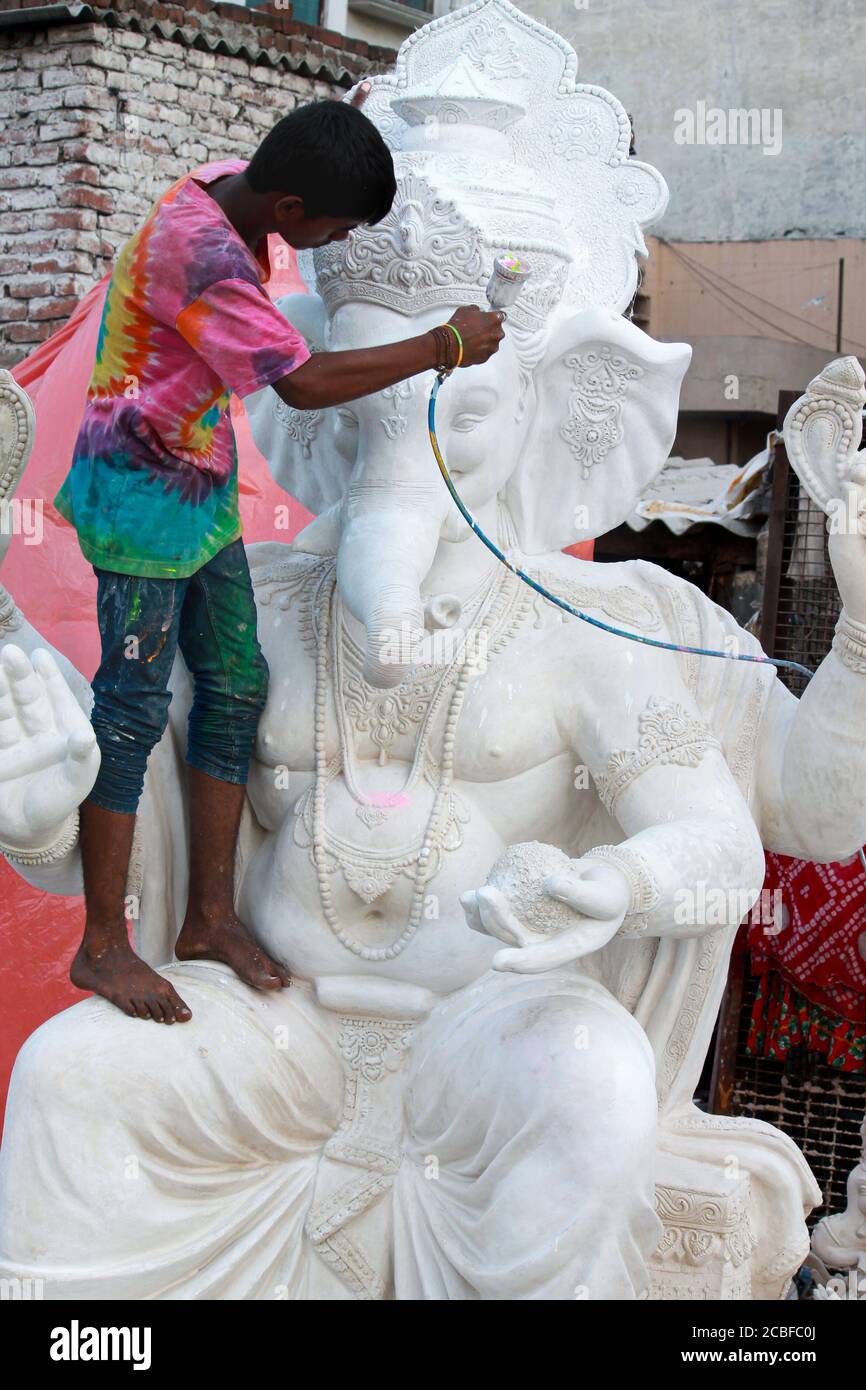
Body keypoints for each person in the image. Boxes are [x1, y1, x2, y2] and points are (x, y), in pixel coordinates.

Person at [52, 88, 505, 1024]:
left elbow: (306, 164)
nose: (333, 246)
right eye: (333, 230)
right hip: (139, 501)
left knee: (236, 684)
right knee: (131, 710)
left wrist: (352, 123)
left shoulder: (235, 186)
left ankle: (208, 917)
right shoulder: (206, 256)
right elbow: (300, 385)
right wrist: (442, 344)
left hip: (200, 490)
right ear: (290, 212)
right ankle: (101, 945)